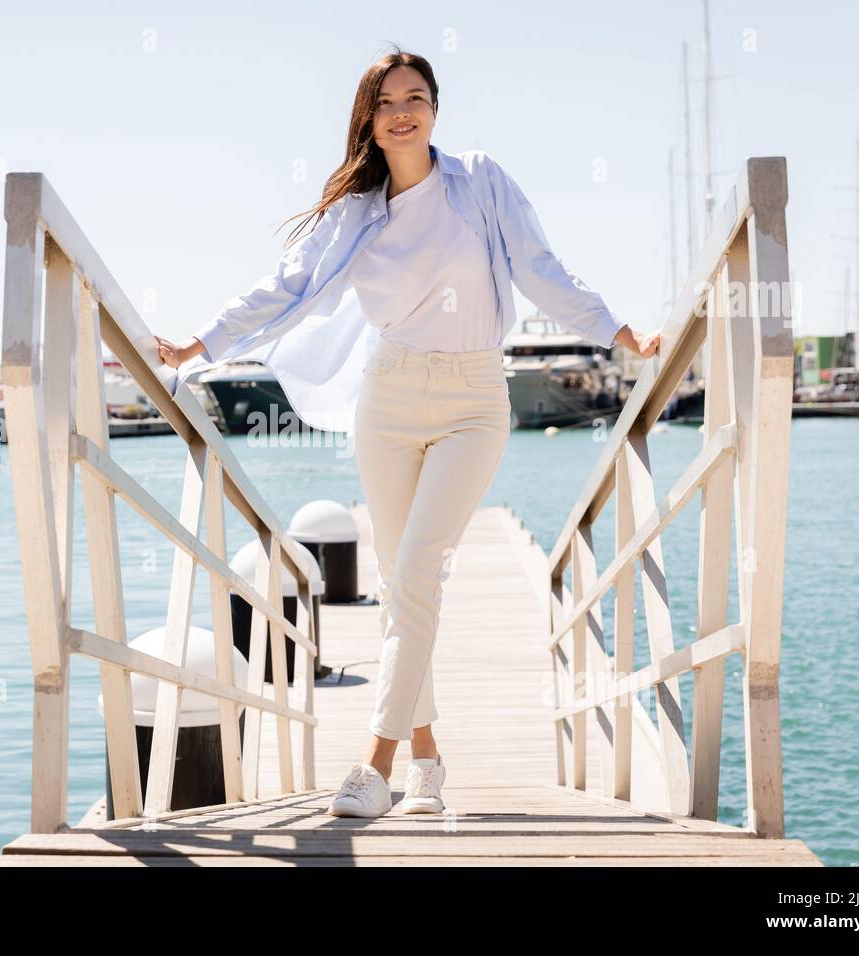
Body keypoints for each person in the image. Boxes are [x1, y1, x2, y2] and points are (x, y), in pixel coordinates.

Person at [156, 48, 660, 820]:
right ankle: (426, 755)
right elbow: (285, 284)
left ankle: (373, 765)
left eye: (416, 97)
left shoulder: (480, 180)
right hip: (387, 398)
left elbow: (540, 266)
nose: (403, 110)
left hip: (473, 400)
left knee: (419, 571)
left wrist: (619, 330)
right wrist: (201, 343)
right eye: (387, 100)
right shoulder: (356, 212)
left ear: (435, 108)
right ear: (369, 117)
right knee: (402, 586)